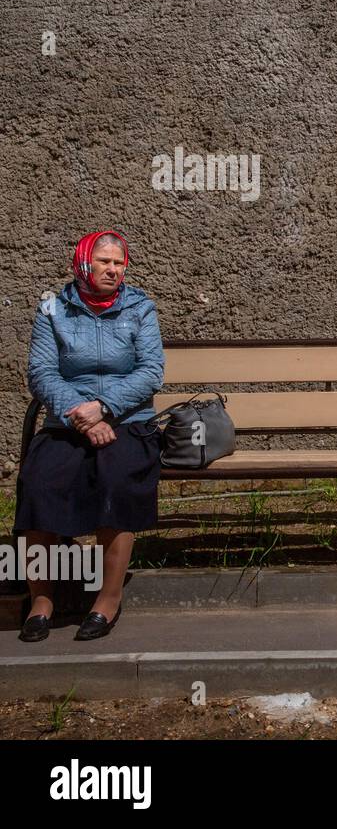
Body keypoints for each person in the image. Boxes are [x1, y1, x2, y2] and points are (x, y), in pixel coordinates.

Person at [16, 231, 165, 642]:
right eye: (103, 262)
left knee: (116, 480)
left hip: (128, 420)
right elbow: (42, 374)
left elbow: (151, 371)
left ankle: (107, 599)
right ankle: (41, 599)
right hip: (68, 421)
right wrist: (82, 417)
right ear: (82, 264)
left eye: (119, 263)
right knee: (39, 482)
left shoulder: (140, 308)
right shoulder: (52, 310)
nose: (113, 270)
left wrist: (103, 408)